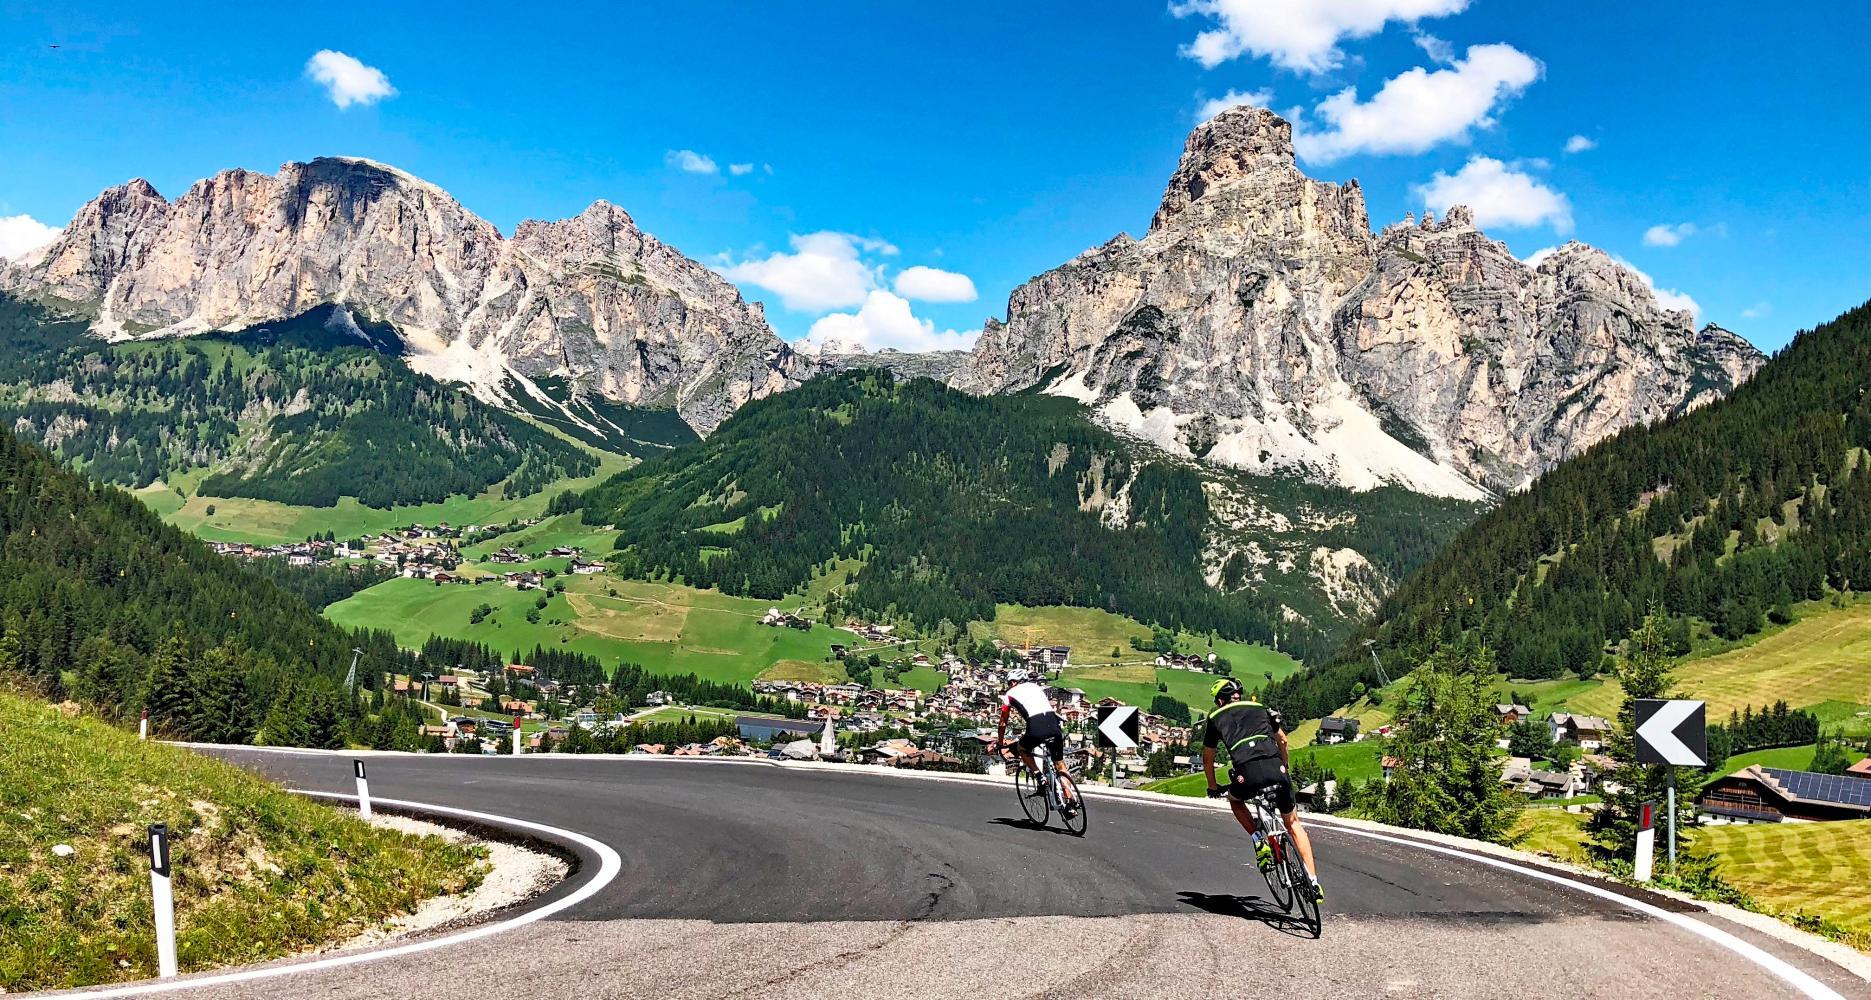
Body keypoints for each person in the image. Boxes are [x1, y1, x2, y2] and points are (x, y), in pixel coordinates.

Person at [1202, 677, 1322, 901]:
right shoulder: (1260, 708)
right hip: (1276, 769)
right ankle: (1313, 881)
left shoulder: (1215, 717)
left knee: (1235, 800)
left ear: (1220, 701)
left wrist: (1213, 786)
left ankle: (1258, 838)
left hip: (1246, 775)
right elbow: (1283, 741)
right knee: (1294, 823)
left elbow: (1207, 759)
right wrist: (1284, 766)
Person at [993, 678, 1077, 809]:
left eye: (1009, 683)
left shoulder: (1009, 695)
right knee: (1060, 765)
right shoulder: (1035, 686)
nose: (1009, 686)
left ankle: (1039, 776)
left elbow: (1003, 722)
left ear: (1013, 683)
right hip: (1054, 725)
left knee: (1022, 748)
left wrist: (1000, 741)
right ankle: (1071, 803)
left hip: (1036, 727)